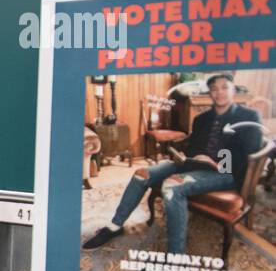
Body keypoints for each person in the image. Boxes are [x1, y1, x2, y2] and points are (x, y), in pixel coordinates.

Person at [82, 73, 262, 255]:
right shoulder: (202, 119)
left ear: (234, 89)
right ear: (210, 93)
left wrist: (217, 160)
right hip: (193, 164)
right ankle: (115, 225)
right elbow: (192, 145)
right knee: (141, 174)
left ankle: (176, 255)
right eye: (214, 89)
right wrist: (188, 154)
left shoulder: (249, 115)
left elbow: (250, 149)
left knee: (171, 186)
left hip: (224, 171)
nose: (219, 92)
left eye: (225, 87)